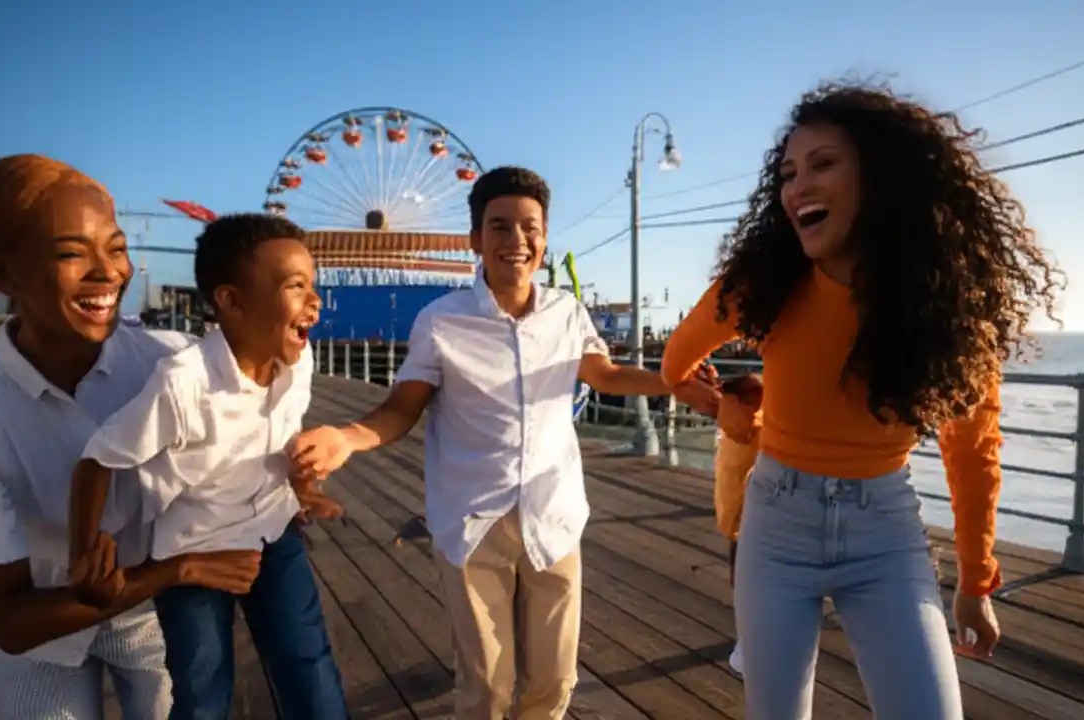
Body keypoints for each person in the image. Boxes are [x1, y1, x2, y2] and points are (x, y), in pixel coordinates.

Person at [662, 81, 1064, 719]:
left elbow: (973, 451)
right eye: (789, 174)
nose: (797, 189)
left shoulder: (949, 313)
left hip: (886, 530)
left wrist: (975, 579)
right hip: (776, 525)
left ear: (880, 177)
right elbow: (675, 359)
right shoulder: (762, 284)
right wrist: (714, 401)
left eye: (823, 164)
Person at [288, 166, 716, 720]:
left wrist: (671, 382)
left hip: (554, 514)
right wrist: (347, 437)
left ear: (544, 236)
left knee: (554, 682)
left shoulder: (567, 312)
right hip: (473, 521)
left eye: (530, 227)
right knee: (486, 687)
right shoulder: (440, 322)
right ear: (475, 240)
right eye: (500, 227)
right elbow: (402, 408)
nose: (517, 241)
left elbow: (604, 375)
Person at [0, 154, 265, 719]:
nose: (109, 272)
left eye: (116, 248)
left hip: (156, 618)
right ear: (3, 275)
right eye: (70, 254)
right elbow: (9, 621)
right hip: (43, 638)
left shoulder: (175, 363)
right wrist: (175, 570)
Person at [67, 214, 347, 720]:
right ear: (231, 301)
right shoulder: (182, 384)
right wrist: (85, 547)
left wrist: (301, 483)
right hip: (194, 550)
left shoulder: (298, 362)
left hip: (273, 529)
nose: (315, 301)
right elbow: (98, 456)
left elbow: (270, 440)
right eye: (295, 286)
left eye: (314, 285)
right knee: (201, 689)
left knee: (309, 664)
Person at [712, 372, 763, 675]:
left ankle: (749, 640)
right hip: (750, 516)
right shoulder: (758, 426)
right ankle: (751, 640)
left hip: (740, 517)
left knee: (745, 579)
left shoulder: (734, 427)